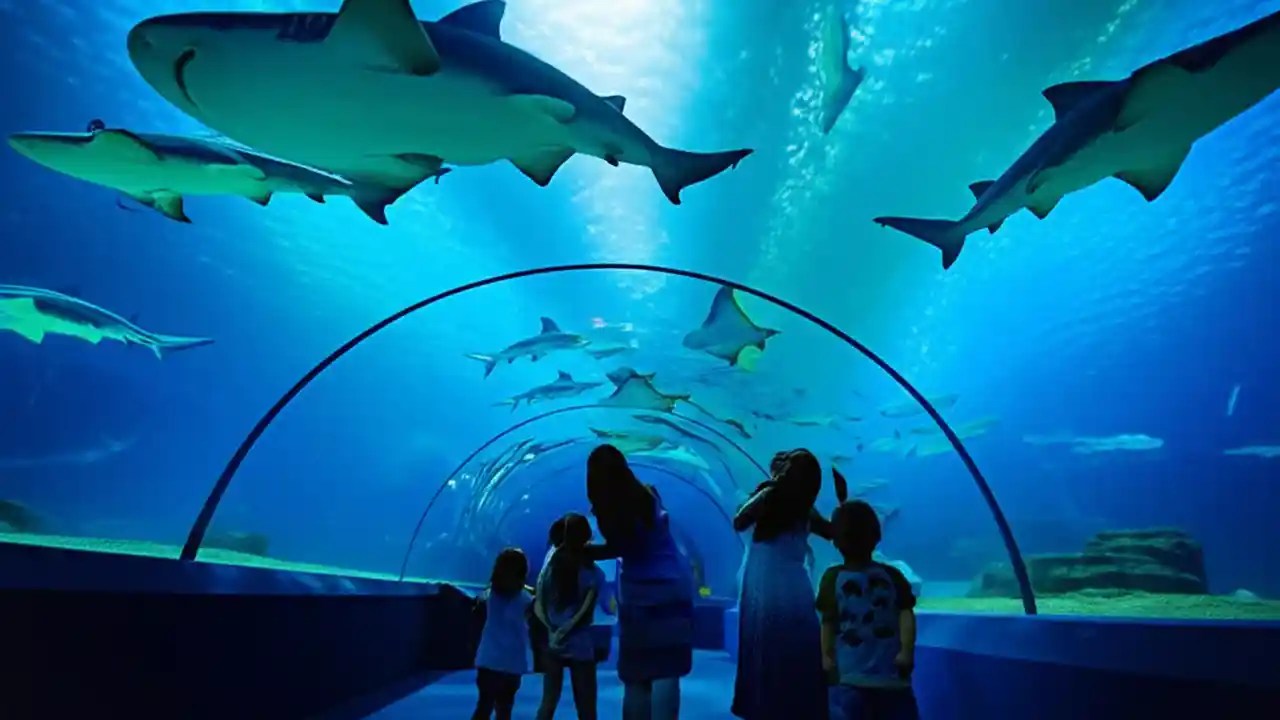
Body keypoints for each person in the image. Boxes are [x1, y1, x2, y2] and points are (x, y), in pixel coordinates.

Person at [584, 444, 694, 720]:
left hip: (637, 595)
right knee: (667, 671)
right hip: (672, 588)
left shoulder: (610, 515)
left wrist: (583, 550)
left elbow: (621, 547)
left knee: (637, 676)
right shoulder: (648, 493)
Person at [731, 448, 831, 720]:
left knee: (765, 643)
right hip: (795, 582)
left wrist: (768, 486)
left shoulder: (769, 495)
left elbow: (739, 520)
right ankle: (799, 707)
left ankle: (764, 706)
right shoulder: (806, 508)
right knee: (798, 644)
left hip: (763, 581)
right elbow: (832, 532)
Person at [818, 500, 920, 720]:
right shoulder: (892, 575)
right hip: (875, 677)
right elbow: (906, 614)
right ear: (877, 535)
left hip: (860, 677)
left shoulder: (832, 578)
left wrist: (826, 657)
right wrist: (906, 652)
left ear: (835, 540)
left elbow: (827, 622)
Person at [535, 512, 606, 720]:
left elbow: (539, 602)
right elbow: (585, 610)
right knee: (586, 707)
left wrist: (552, 631)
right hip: (580, 642)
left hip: (552, 642)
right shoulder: (590, 569)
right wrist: (567, 629)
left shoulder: (550, 563)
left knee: (548, 702)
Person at [473, 547, 534, 720]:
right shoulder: (527, 600)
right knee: (505, 710)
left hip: (489, 659)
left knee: (483, 707)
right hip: (513, 662)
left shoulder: (487, 596)